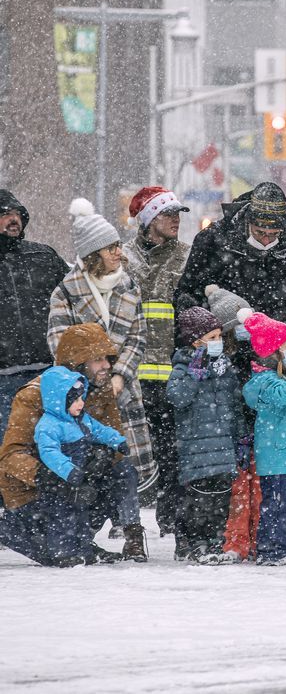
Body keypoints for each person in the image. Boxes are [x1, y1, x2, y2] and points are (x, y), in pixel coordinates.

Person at [174, 182, 286, 551]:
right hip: (230, 353)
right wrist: (214, 329)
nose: (267, 235)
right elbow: (187, 294)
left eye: (274, 230)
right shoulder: (214, 241)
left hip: (277, 355)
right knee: (226, 445)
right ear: (248, 221)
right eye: (260, 229)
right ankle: (217, 529)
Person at [0, 323, 147, 563]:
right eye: (98, 359)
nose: (107, 366)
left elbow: (113, 437)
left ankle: (91, 537)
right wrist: (47, 475)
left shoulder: (100, 389)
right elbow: (10, 456)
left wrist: (102, 456)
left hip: (76, 476)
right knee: (59, 556)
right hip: (35, 491)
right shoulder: (33, 395)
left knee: (123, 471)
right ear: (76, 363)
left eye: (107, 358)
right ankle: (12, 529)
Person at [48, 198, 157, 496]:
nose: (119, 253)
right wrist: (92, 374)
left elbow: (138, 336)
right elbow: (60, 343)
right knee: (92, 464)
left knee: (128, 462)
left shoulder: (128, 286)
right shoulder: (67, 292)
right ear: (93, 254)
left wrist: (120, 374)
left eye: (118, 245)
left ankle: (131, 527)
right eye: (111, 248)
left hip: (123, 389)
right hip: (84, 394)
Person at [122, 186, 191, 537]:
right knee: (128, 451)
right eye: (168, 214)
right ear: (149, 219)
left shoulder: (186, 257)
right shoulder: (122, 259)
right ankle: (126, 521)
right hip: (131, 374)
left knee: (172, 451)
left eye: (178, 214)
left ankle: (172, 518)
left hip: (172, 372)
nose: (176, 221)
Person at [167, 307, 245, 564]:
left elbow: (234, 404)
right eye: (211, 338)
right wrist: (193, 373)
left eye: (219, 337)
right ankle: (193, 541)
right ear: (195, 341)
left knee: (221, 499)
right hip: (196, 447)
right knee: (198, 499)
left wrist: (240, 436)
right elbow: (177, 398)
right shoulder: (182, 366)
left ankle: (214, 541)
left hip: (222, 445)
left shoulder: (225, 367)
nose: (218, 343)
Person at [32, 366, 129, 566]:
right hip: (59, 482)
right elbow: (49, 453)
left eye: (81, 398)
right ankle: (62, 552)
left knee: (81, 516)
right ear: (60, 401)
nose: (81, 403)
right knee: (62, 517)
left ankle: (84, 549)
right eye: (75, 400)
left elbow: (99, 431)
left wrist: (117, 441)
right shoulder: (48, 425)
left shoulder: (81, 419)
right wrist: (68, 471)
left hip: (80, 479)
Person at [241, 310, 286, 567]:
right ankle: (272, 549)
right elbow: (283, 397)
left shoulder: (280, 378)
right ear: (273, 352)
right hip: (279, 456)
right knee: (278, 505)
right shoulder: (265, 380)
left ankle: (281, 545)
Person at [0, 189, 68, 438]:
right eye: (5, 214)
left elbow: (74, 297)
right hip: (3, 379)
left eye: (17, 213)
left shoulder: (42, 256)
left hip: (46, 372)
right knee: (9, 449)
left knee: (49, 444)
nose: (13, 219)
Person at [205, 285, 261, 562]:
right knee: (239, 494)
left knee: (257, 493)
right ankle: (236, 542)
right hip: (234, 437)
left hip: (255, 434)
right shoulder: (220, 362)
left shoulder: (255, 354)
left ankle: (256, 539)